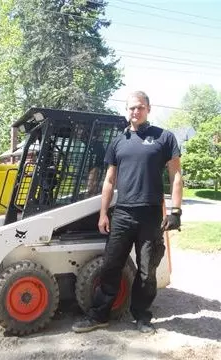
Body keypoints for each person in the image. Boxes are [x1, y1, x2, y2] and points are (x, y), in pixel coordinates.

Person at [72, 91, 183, 334]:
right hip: (122, 213)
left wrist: (175, 210)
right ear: (127, 110)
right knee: (111, 266)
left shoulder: (164, 138)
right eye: (132, 108)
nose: (136, 111)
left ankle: (142, 317)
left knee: (147, 271)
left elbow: (176, 175)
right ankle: (99, 315)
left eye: (140, 107)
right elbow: (109, 180)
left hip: (151, 215)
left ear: (148, 108)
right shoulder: (118, 141)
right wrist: (103, 213)